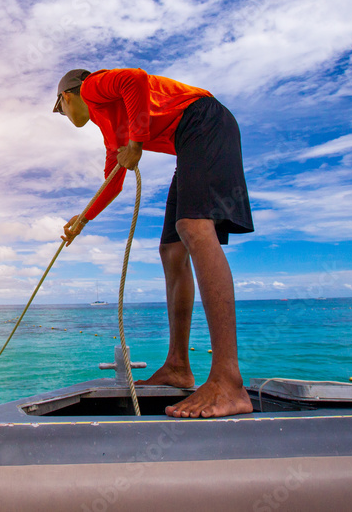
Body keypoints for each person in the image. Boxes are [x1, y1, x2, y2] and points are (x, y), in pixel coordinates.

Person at [54, 67, 254, 418]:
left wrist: (136, 143)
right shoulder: (107, 126)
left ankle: (228, 380)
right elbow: (113, 180)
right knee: (172, 248)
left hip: (203, 119)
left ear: (67, 97)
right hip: (187, 142)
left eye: (60, 109)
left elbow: (135, 80)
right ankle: (178, 365)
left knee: (193, 227)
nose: (64, 115)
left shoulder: (94, 86)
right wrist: (83, 220)